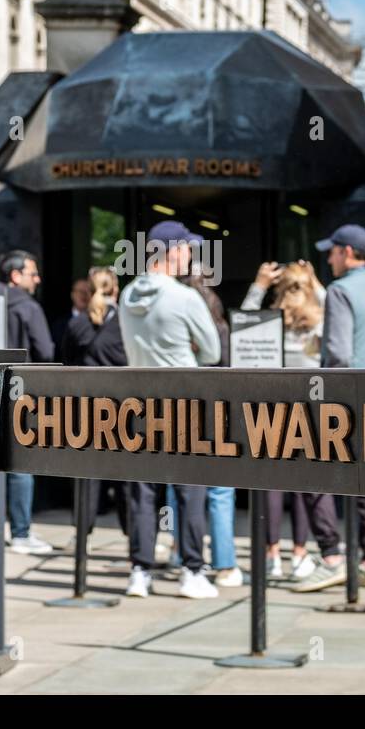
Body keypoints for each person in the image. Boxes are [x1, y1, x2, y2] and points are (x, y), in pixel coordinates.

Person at [118, 221, 222, 599]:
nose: (191, 256)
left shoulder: (127, 294)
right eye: (188, 250)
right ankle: (192, 570)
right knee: (189, 490)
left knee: (142, 491)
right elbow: (212, 352)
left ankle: (139, 571)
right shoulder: (184, 297)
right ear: (173, 251)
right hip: (183, 402)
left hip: (138, 403)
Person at [293, 224, 365, 593]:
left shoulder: (339, 290)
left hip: (344, 395)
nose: (329, 258)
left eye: (333, 252)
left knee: (312, 473)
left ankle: (332, 556)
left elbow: (338, 353)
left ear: (347, 253)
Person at [242, 260, 324, 580]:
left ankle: (271, 553)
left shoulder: (269, 321)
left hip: (272, 409)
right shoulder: (319, 321)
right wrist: (315, 281)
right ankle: (300, 553)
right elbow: (333, 302)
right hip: (310, 410)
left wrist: (259, 285)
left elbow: (244, 321)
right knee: (303, 484)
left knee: (272, 486)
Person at [0, 250, 55, 556]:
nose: (37, 279)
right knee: (20, 463)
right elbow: (46, 350)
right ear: (16, 276)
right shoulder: (28, 307)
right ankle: (21, 532)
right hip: (19, 389)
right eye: (32, 273)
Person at [180, 265, 241, 587]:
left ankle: (183, 555)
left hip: (181, 408)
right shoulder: (219, 324)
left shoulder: (179, 318)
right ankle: (225, 563)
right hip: (217, 408)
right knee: (219, 488)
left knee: (181, 486)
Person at [62, 267, 127, 536]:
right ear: (116, 290)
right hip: (124, 405)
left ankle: (82, 536)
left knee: (86, 474)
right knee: (128, 475)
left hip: (84, 406)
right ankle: (136, 540)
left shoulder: (77, 324)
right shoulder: (125, 322)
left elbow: (64, 360)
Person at [53, 277, 92, 358]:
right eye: (80, 291)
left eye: (87, 292)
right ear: (72, 294)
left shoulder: (97, 322)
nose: (83, 295)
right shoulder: (60, 323)